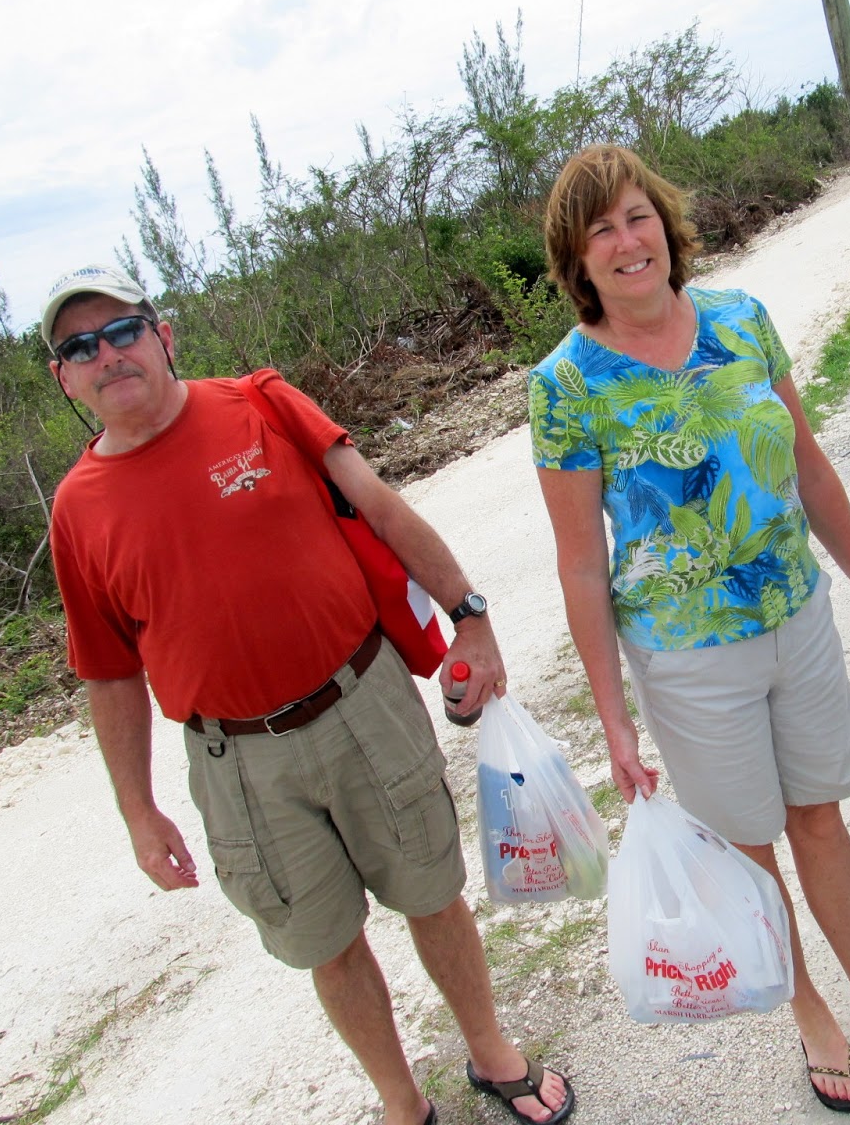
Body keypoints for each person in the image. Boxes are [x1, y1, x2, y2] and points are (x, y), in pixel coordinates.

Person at [42, 264, 573, 1125]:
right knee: (327, 943)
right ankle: (403, 1103)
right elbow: (107, 673)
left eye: (122, 330)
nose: (107, 354)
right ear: (64, 378)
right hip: (238, 765)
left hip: (362, 701)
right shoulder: (76, 510)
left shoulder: (259, 404)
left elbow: (380, 506)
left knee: (432, 891)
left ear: (163, 334)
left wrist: (468, 615)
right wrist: (138, 811)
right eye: (79, 347)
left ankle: (489, 1050)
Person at [528, 146, 850, 1114]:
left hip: (795, 615)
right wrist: (613, 716)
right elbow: (577, 566)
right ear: (577, 260)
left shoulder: (740, 322)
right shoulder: (564, 385)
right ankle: (806, 1009)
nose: (625, 242)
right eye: (600, 230)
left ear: (666, 227)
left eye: (637, 217)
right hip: (687, 658)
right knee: (750, 844)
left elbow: (807, 467)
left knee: (820, 815)